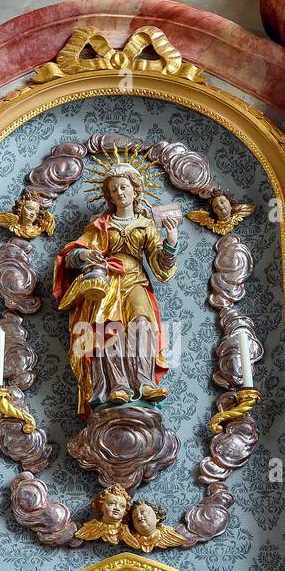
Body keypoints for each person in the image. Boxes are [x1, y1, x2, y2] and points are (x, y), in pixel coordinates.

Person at [53, 164, 179, 416]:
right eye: (114, 189)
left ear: (135, 191)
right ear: (109, 196)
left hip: (135, 280)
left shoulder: (145, 224)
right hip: (107, 281)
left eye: (124, 187)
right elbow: (70, 257)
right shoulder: (101, 225)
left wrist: (171, 241)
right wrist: (84, 254)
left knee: (143, 324)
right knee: (109, 330)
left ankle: (144, 382)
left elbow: (160, 267)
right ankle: (116, 385)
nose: (120, 192)